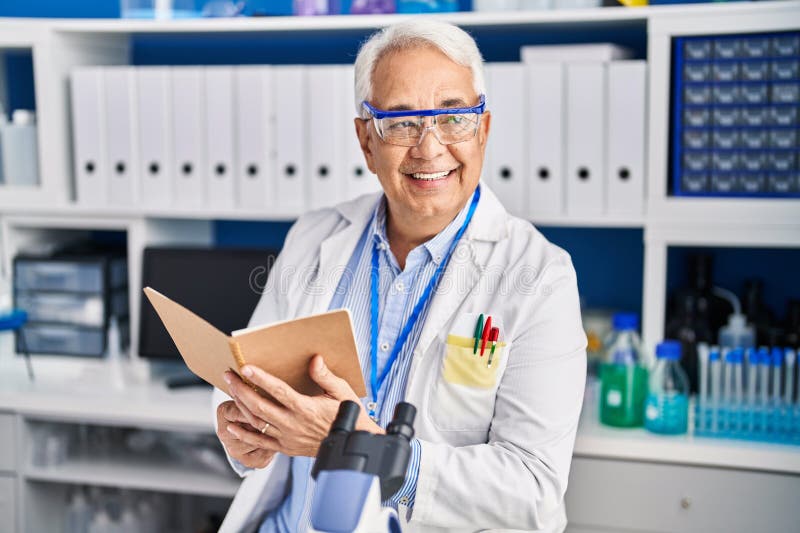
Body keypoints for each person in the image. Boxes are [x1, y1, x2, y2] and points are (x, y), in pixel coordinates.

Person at [212, 19, 587, 533]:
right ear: (367, 140)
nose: (429, 148)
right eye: (402, 122)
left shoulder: (540, 276)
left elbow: (533, 493)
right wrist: (244, 438)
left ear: (483, 129)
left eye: (454, 118)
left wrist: (374, 453)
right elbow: (247, 377)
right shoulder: (314, 236)